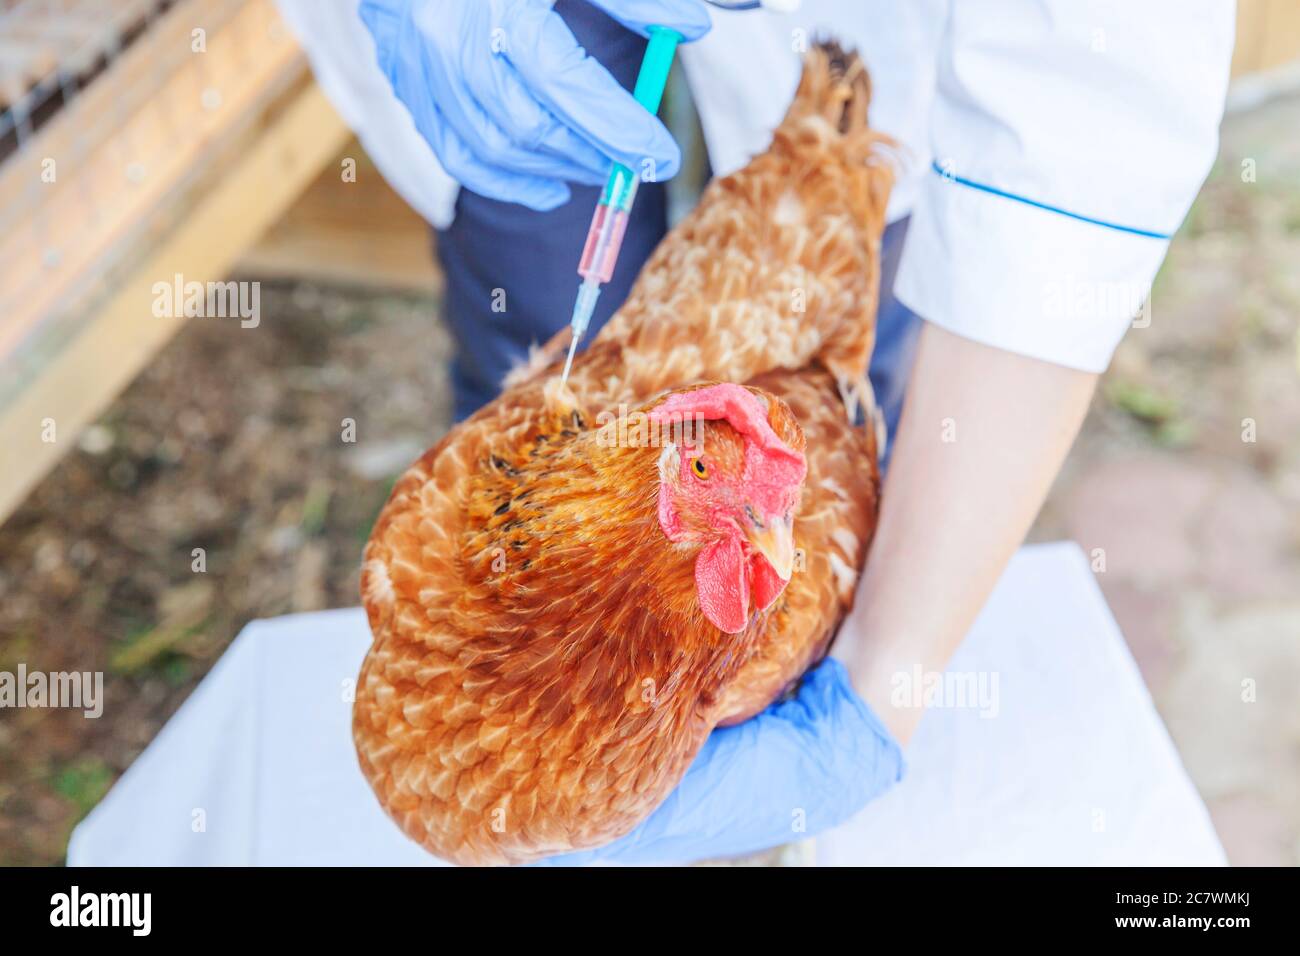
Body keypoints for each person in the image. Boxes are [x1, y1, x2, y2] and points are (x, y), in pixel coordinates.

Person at [284, 0, 1236, 863]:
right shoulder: (428, 552)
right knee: (528, 213)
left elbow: (1087, 119)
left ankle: (830, 174)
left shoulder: (759, 630)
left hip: (825, 90)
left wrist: (886, 676)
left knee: (890, 282)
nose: (780, 542)